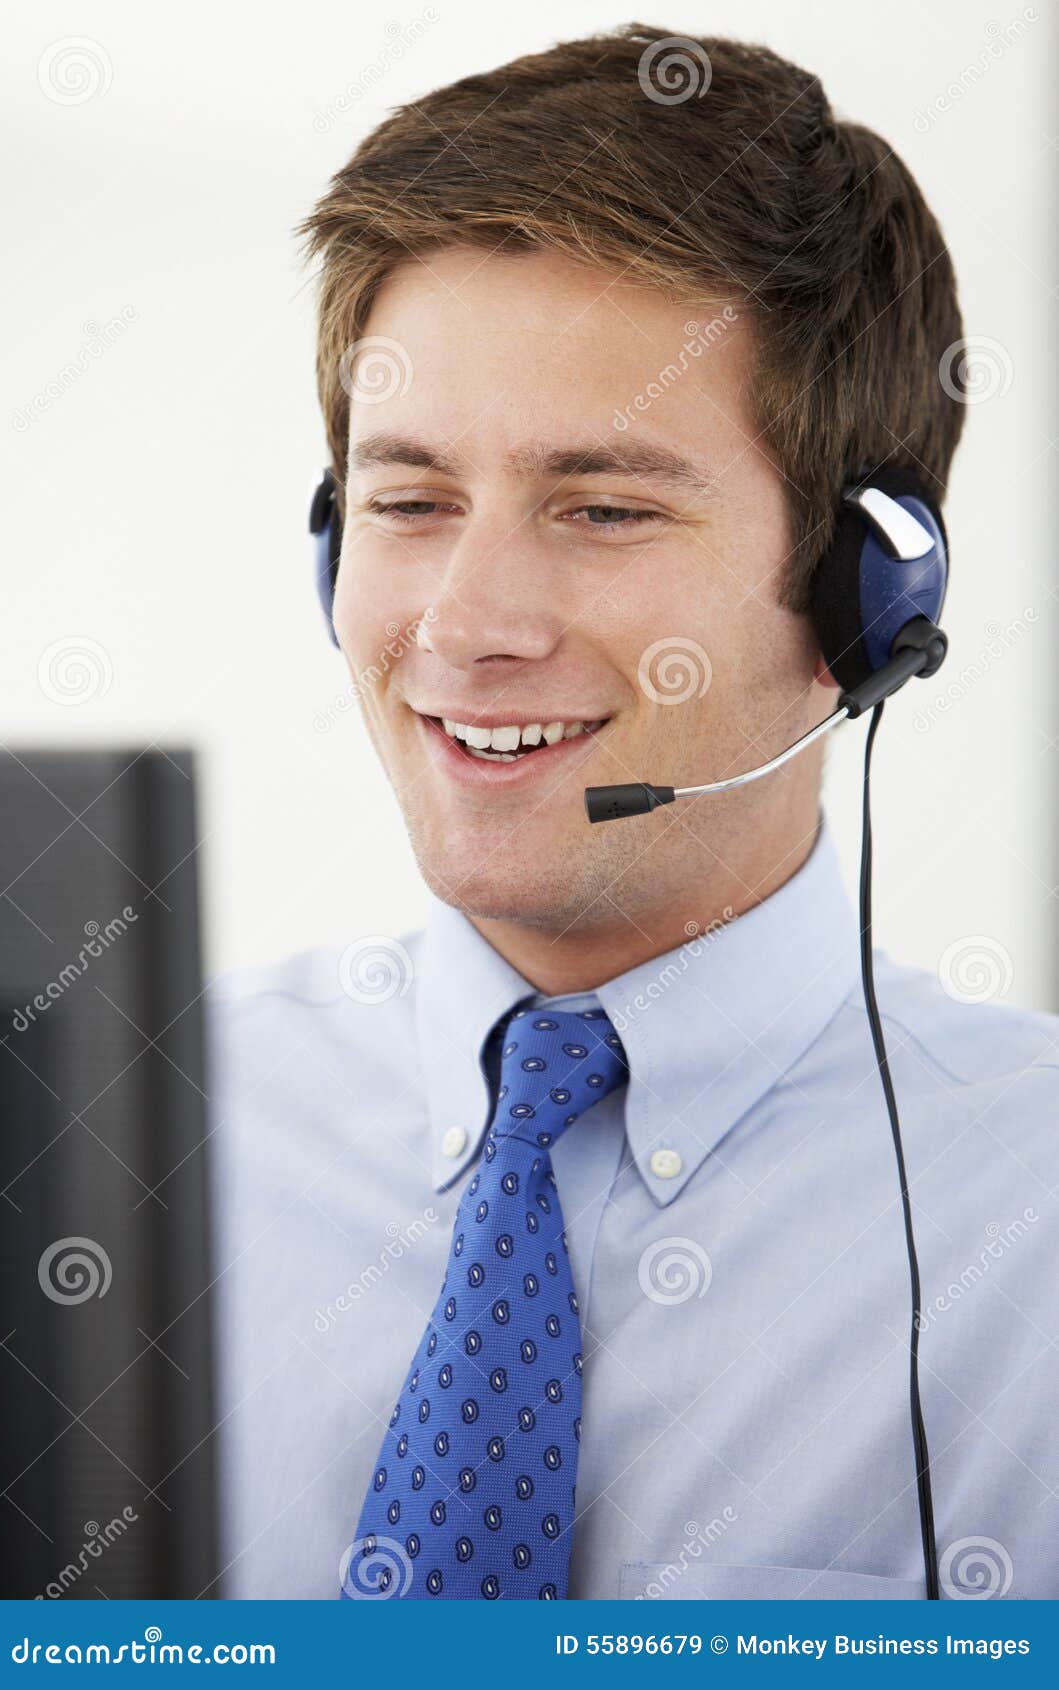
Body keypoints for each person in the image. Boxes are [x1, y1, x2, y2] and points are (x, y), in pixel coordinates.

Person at [208, 26, 1058, 1600]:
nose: (465, 622)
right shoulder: (88, 1142)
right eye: (408, 501)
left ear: (867, 600)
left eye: (602, 507)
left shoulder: (1035, 1212)